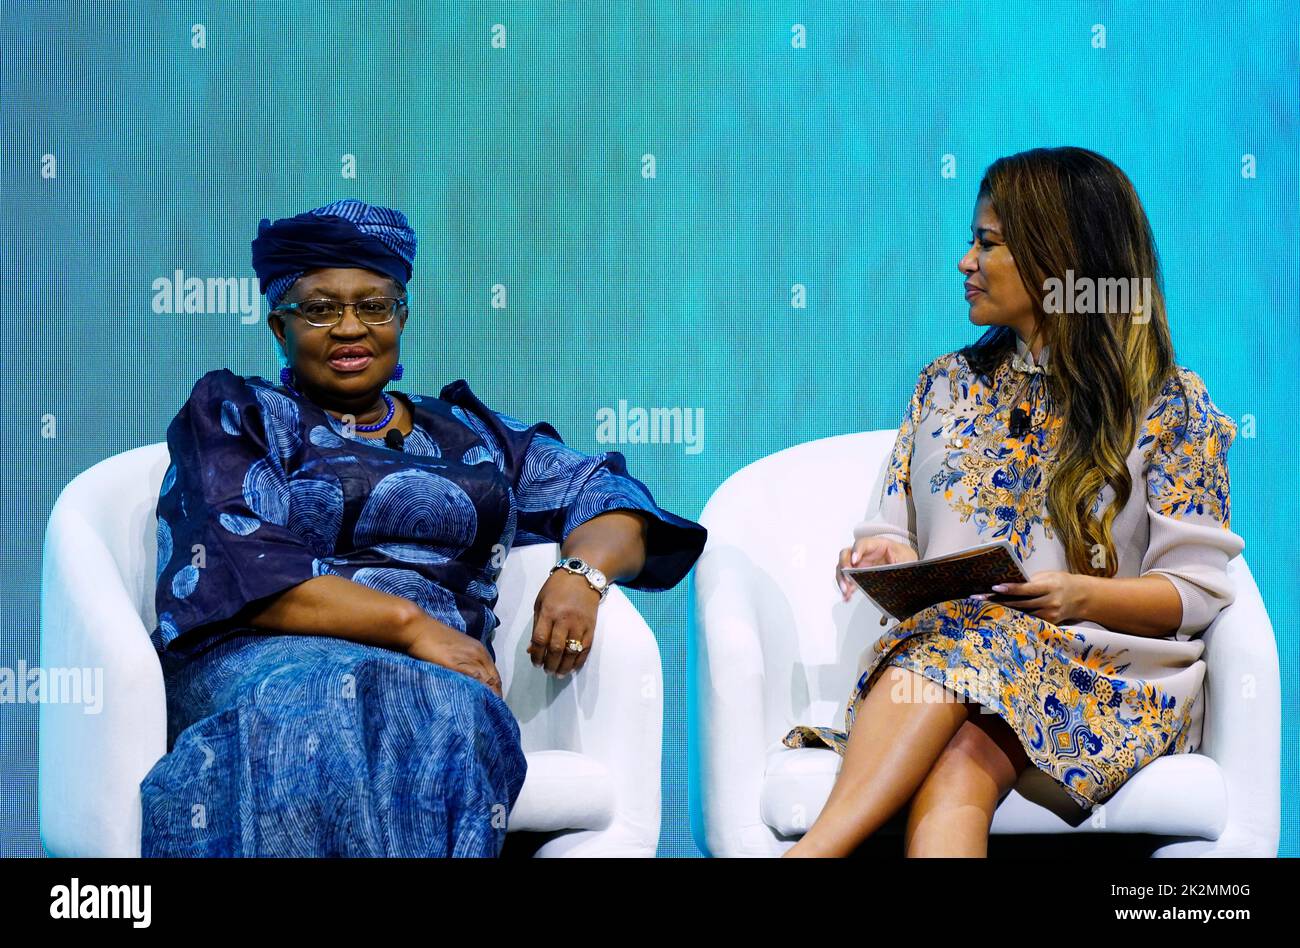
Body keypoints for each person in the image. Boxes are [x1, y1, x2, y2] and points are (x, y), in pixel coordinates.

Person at [140, 198, 707, 857]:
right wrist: (413, 628)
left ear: (401, 315)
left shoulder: (473, 434)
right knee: (329, 703)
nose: (350, 328)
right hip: (266, 662)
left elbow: (610, 498)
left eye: (373, 306)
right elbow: (245, 566)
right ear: (279, 327)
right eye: (320, 308)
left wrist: (580, 574)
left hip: (440, 680)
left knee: (435, 711)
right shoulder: (241, 414)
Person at [781, 148, 1244, 857]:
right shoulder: (944, 385)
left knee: (974, 643)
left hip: (1105, 678)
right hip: (958, 675)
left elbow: (1195, 593)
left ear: (1062, 259)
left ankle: (813, 854)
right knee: (957, 767)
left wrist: (1077, 597)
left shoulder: (1169, 403)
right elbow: (891, 526)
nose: (965, 261)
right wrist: (888, 554)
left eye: (988, 243)